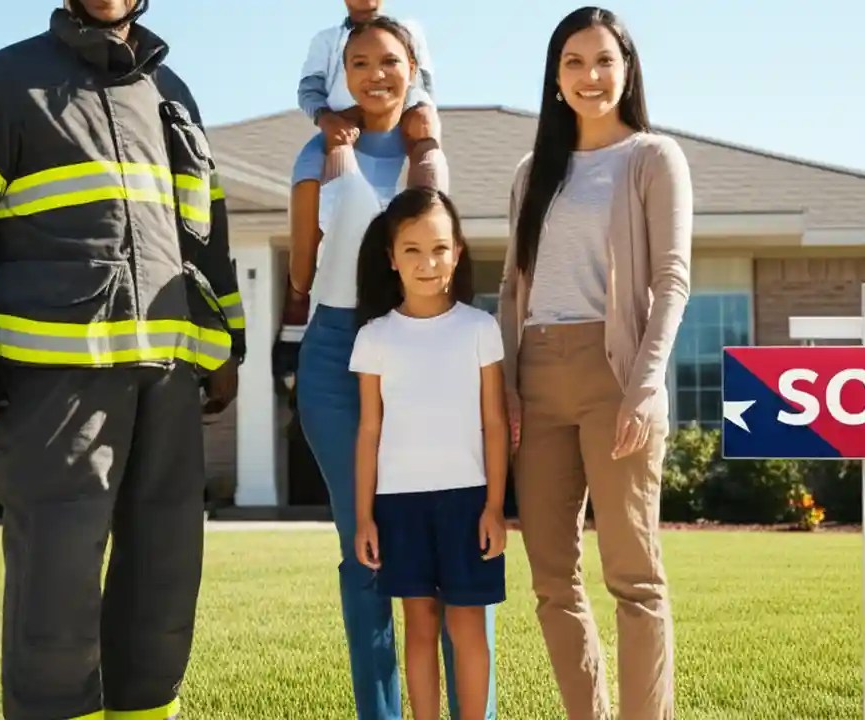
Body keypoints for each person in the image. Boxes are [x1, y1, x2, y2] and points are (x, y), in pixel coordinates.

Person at [0, 2, 245, 718]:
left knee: (165, 579)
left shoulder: (172, 93)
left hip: (169, 372)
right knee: (56, 584)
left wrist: (225, 344)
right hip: (53, 376)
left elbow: (205, 237)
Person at [287, 16, 497, 720]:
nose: (376, 74)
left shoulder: (429, 152)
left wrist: (424, 142)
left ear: (415, 70)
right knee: (367, 549)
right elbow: (302, 268)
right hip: (334, 350)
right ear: (340, 74)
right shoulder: (313, 153)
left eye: (389, 61)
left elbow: (439, 253)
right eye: (359, 62)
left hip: (421, 345)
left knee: (454, 538)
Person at [498, 7, 693, 720]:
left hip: (616, 379)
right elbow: (512, 288)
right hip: (538, 379)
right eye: (574, 63)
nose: (590, 76)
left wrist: (644, 385)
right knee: (552, 580)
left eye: (604, 60)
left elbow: (672, 279)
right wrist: (508, 386)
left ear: (627, 69)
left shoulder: (651, 157)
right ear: (555, 79)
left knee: (634, 577)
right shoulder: (532, 172)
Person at [350, 187, 508, 720]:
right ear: (391, 258)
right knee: (419, 626)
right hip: (400, 504)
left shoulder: (480, 329)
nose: (427, 262)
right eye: (412, 250)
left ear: (457, 252)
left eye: (439, 248)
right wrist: (365, 517)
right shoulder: (374, 338)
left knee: (467, 628)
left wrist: (494, 506)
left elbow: (494, 424)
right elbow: (369, 432)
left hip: (468, 502)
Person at [297, 0, 446, 191]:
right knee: (338, 140)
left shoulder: (409, 31)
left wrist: (418, 111)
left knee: (424, 122)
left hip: (401, 110)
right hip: (346, 116)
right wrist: (325, 118)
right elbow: (309, 90)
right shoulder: (326, 40)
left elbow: (425, 86)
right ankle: (342, 210)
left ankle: (426, 204)